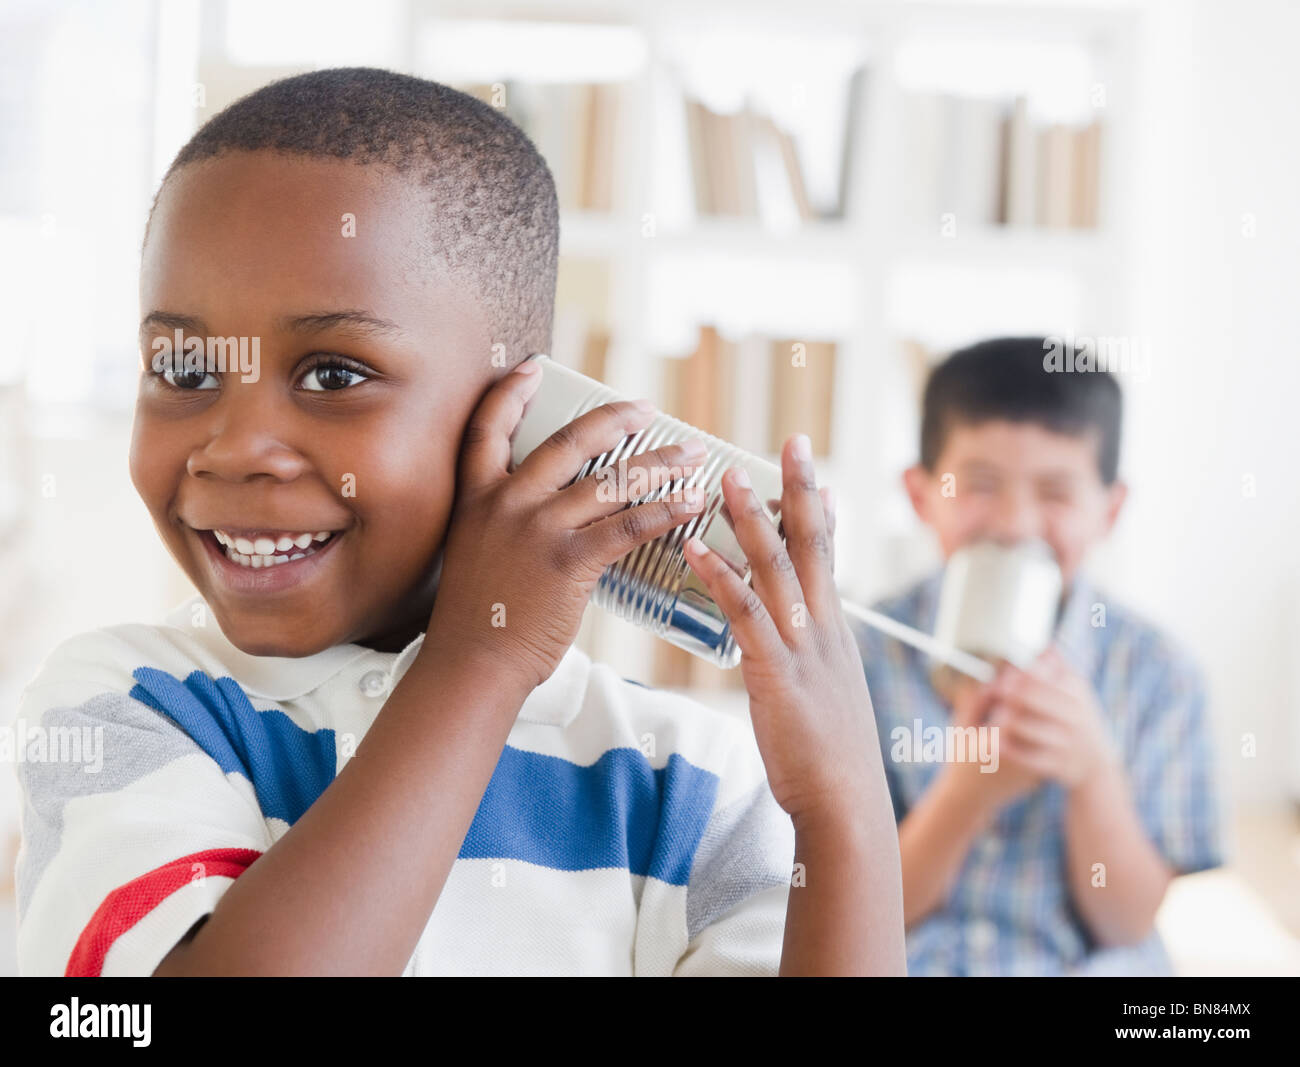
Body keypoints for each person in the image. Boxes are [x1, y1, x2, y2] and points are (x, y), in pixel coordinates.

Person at [12, 68, 904, 976]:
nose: (236, 448)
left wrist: (844, 816)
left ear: (527, 415)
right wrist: (482, 659)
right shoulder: (125, 706)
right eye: (187, 370)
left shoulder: (687, 788)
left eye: (331, 374)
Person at [850, 336, 1225, 976]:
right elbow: (854, 914)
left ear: (1110, 510)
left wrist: (1093, 769)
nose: (1016, 524)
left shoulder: (1160, 674)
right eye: (980, 485)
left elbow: (1127, 920)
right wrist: (968, 793)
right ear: (919, 496)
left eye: (1055, 492)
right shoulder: (862, 654)